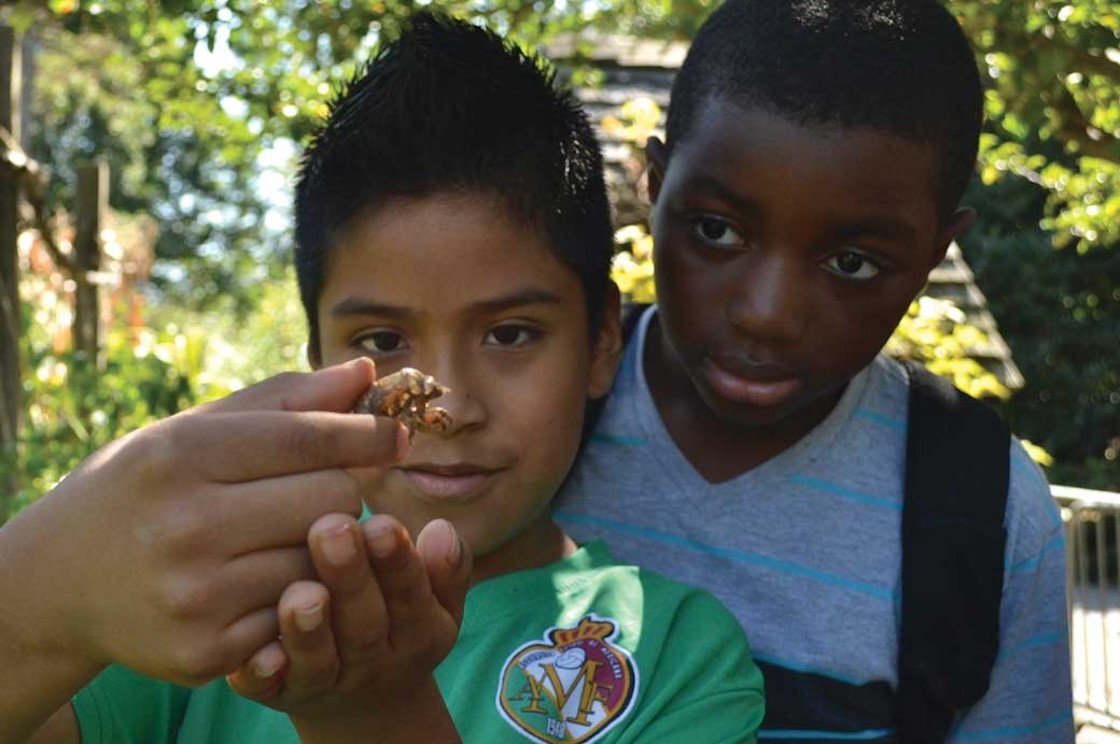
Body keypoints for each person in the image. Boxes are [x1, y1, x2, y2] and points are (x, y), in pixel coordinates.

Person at [8, 13, 765, 744]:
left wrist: (371, 715)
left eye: (511, 334)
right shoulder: (216, 588)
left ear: (602, 338)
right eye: (383, 339)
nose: (451, 407)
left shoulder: (675, 655)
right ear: (315, 353)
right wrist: (51, 576)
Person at [554, 1, 1074, 742]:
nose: (767, 314)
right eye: (717, 230)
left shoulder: (988, 514)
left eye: (852, 263)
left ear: (933, 254)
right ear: (655, 182)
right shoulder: (525, 422)